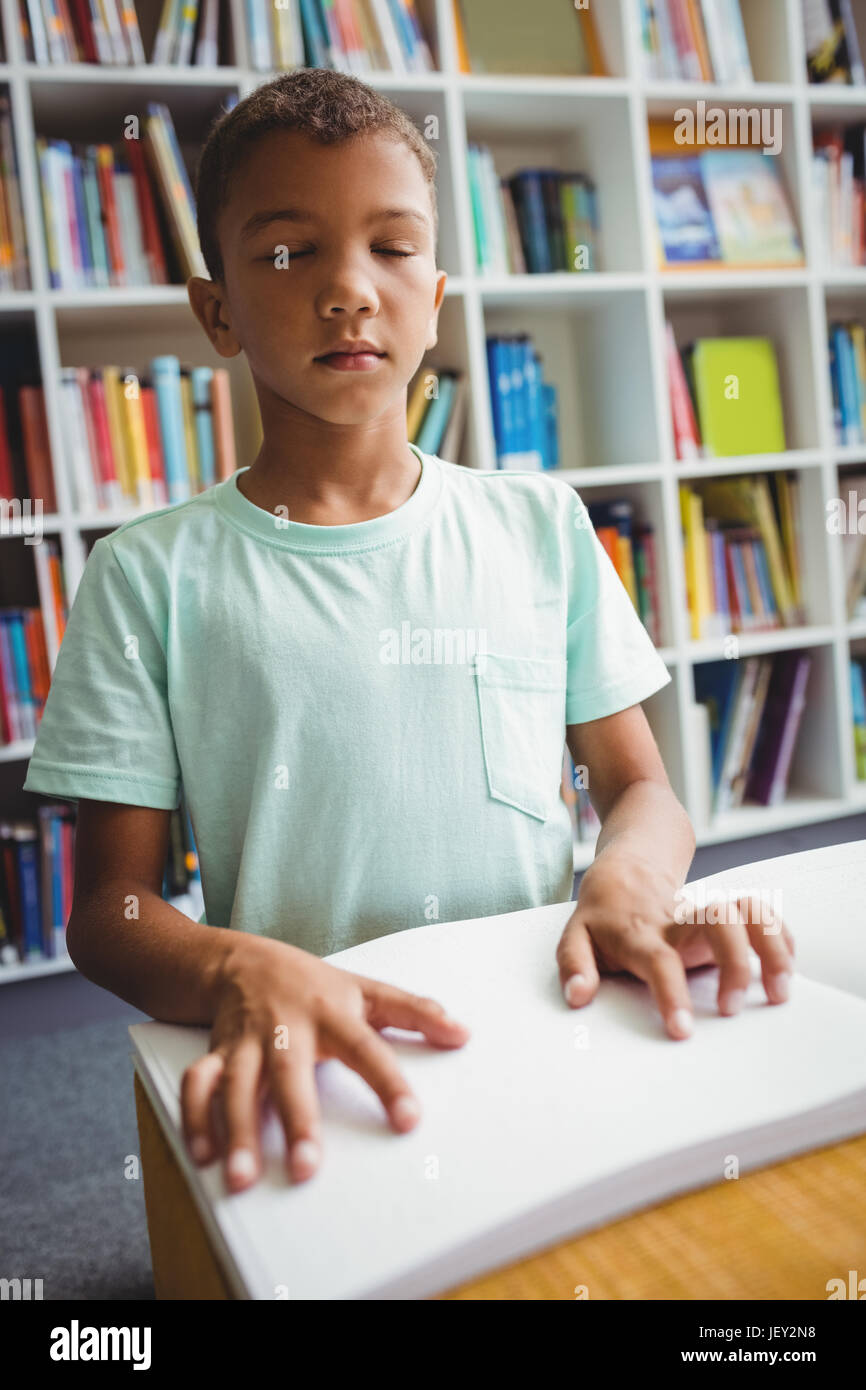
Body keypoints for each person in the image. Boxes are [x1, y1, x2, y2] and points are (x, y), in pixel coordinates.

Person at [23, 69, 793, 1196]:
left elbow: (643, 792)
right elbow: (112, 911)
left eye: (390, 249)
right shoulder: (146, 577)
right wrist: (238, 968)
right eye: (290, 251)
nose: (348, 289)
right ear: (217, 308)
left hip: (547, 1024)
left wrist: (628, 879)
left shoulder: (539, 526)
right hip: (319, 1073)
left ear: (434, 296)